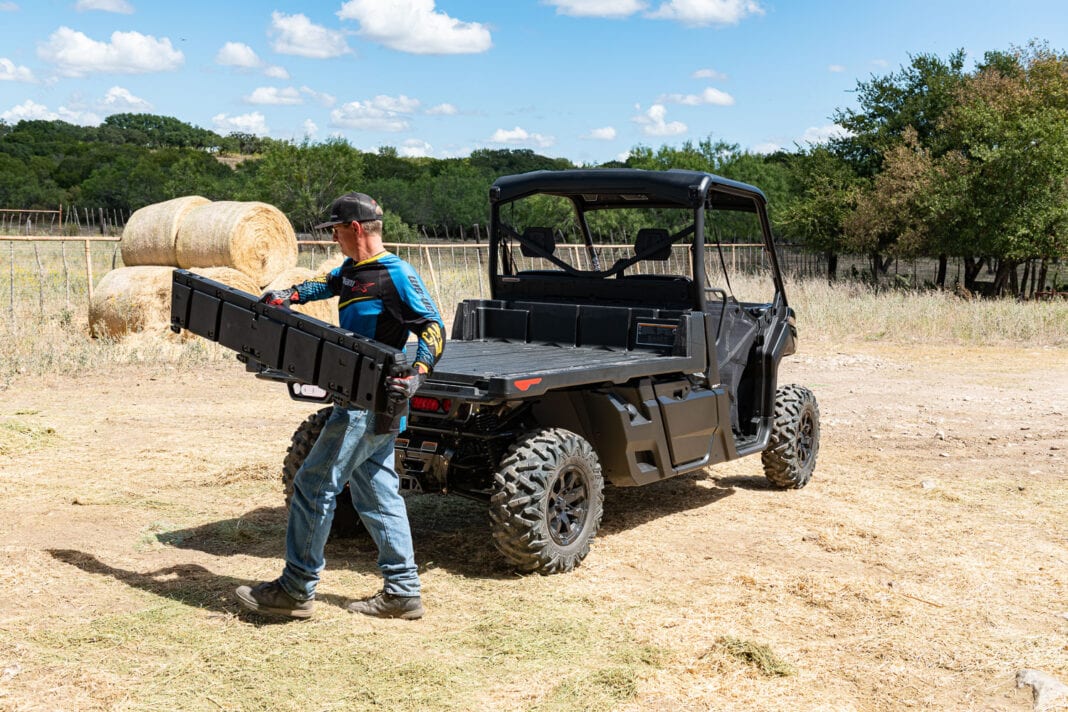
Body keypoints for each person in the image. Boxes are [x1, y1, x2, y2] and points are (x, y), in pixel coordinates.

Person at [235, 192, 445, 621]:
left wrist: (417, 371)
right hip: (360, 398)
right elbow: (325, 285)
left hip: (369, 401)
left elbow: (434, 327)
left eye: (334, 229)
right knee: (378, 489)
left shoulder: (393, 273)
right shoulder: (352, 271)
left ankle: (296, 588)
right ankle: (403, 591)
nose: (332, 237)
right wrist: (288, 296)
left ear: (355, 228)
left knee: (313, 486)